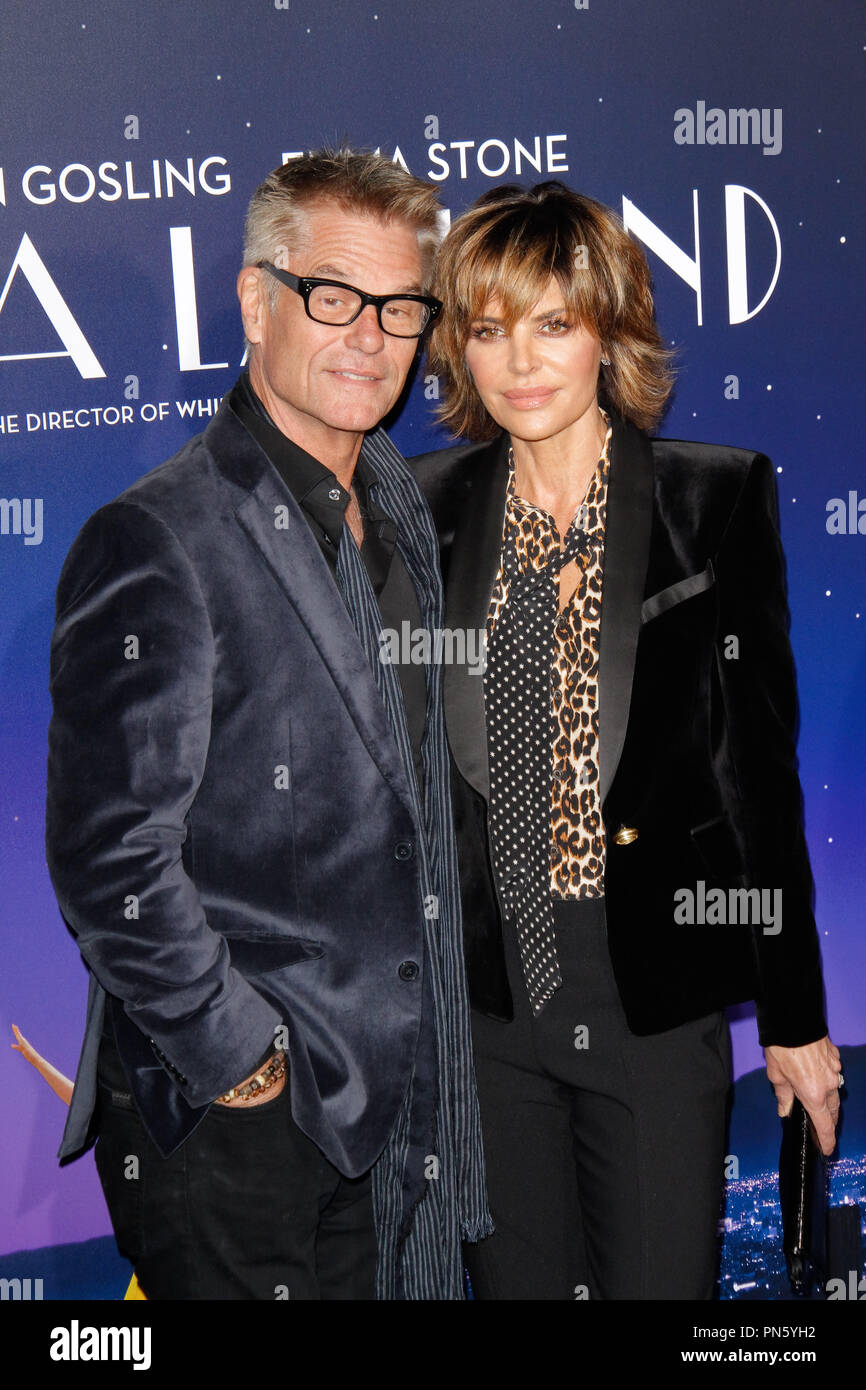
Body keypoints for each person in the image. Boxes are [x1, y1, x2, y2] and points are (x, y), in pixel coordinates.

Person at [46, 148, 490, 1302]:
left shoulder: (406, 515)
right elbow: (107, 853)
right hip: (245, 1131)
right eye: (331, 295)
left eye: (400, 307)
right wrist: (240, 1053)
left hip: (403, 1099)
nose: (369, 336)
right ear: (256, 299)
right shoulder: (157, 538)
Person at [411, 180, 842, 1300]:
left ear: (607, 327)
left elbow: (754, 774)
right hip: (485, 1008)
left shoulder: (712, 498)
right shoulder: (420, 507)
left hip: (647, 993)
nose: (519, 361)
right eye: (488, 329)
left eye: (552, 322)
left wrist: (792, 1013)